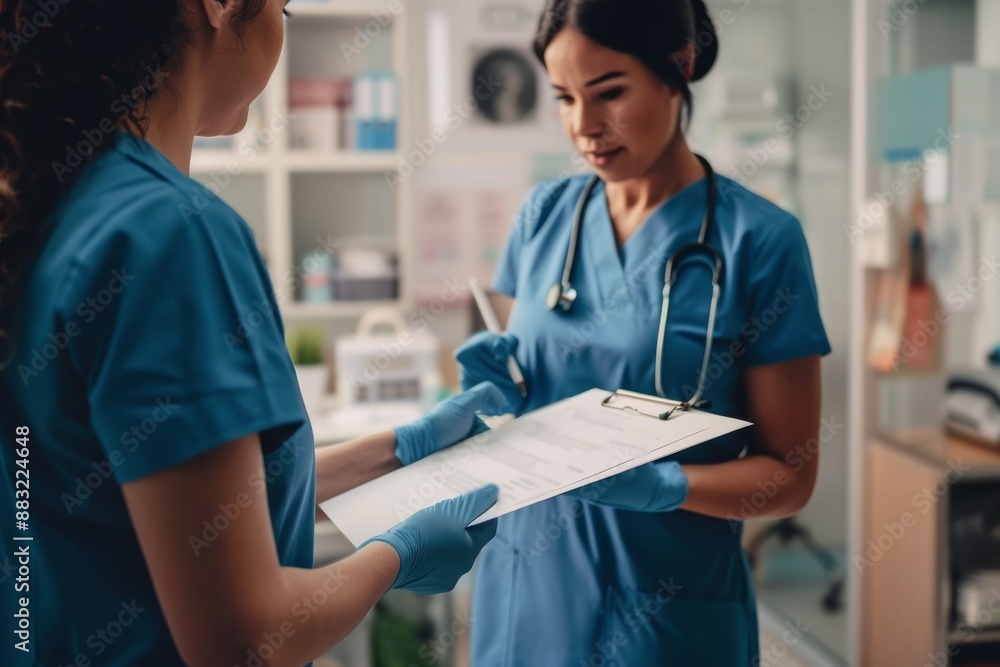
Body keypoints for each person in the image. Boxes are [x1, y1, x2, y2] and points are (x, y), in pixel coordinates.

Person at [0, 2, 500, 665]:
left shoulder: (44, 198)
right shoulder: (170, 233)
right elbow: (242, 638)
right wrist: (395, 555)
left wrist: (393, 453)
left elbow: (169, 508)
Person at [456, 0, 831, 664]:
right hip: (528, 589)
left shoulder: (761, 242)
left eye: (609, 93)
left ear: (678, 67)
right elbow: (533, 399)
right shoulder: (544, 216)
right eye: (565, 97)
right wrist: (493, 402)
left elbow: (791, 477)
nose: (584, 127)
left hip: (667, 612)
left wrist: (670, 485)